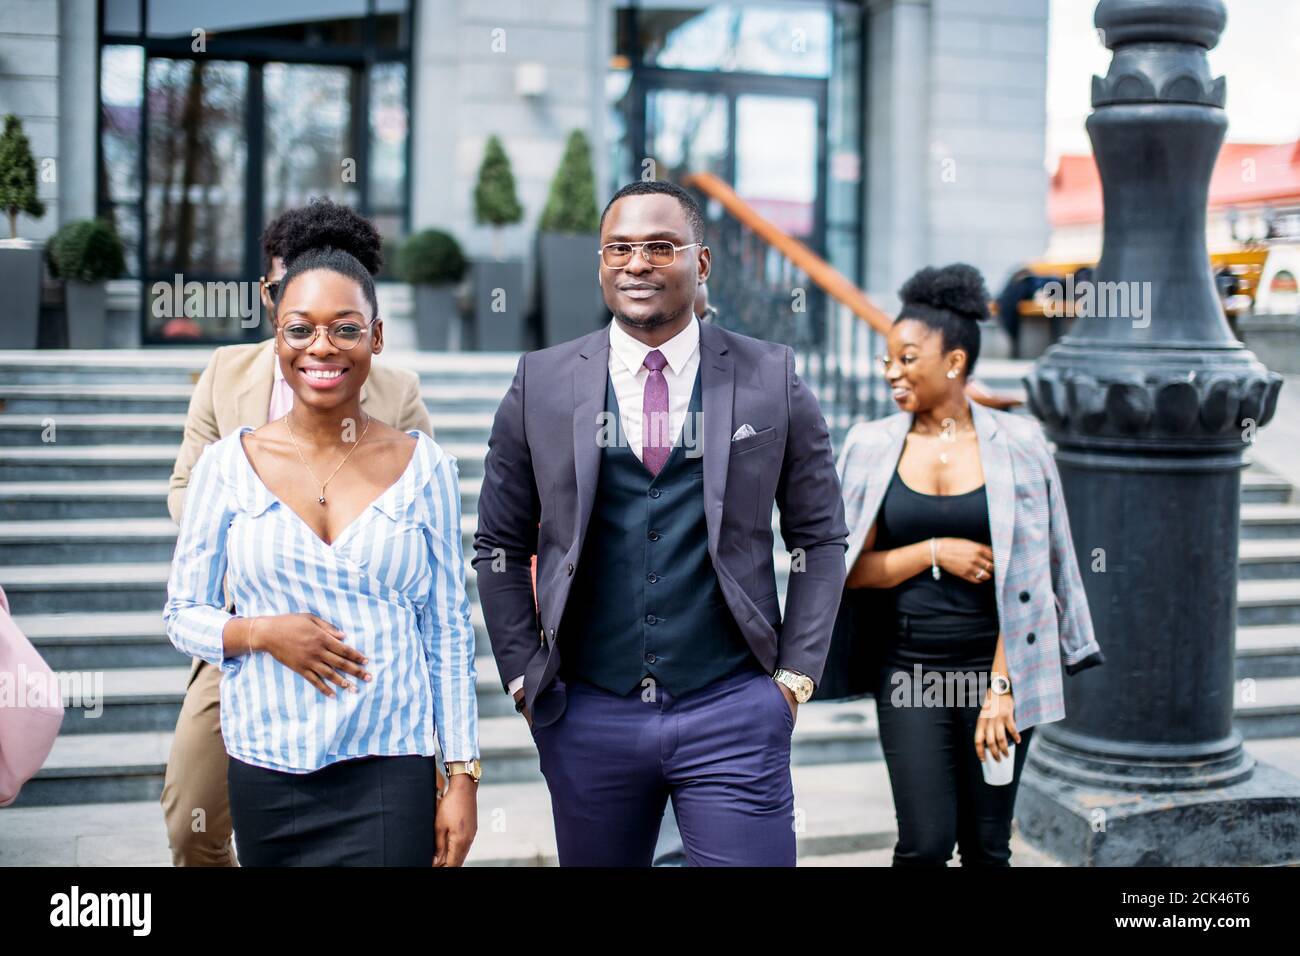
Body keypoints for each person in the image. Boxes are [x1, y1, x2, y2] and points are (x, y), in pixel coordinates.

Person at [474, 180, 847, 866]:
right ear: (601, 262)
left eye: (659, 247)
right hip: (588, 711)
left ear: (699, 264)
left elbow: (820, 539)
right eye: (619, 248)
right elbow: (498, 543)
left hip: (732, 706)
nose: (637, 263)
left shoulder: (773, 377)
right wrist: (526, 679)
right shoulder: (543, 381)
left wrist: (795, 677)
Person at [163, 209, 478, 867]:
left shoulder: (418, 448)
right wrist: (259, 625)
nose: (321, 345)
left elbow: (446, 623)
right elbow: (184, 578)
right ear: (273, 315)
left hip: (387, 743)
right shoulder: (227, 417)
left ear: (377, 333)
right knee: (190, 814)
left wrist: (462, 773)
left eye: (345, 326)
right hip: (259, 686)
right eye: (299, 324)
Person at [835, 263, 1103, 866]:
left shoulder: (1020, 444)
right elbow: (849, 570)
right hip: (908, 671)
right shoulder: (871, 446)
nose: (891, 373)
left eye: (906, 359)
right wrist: (932, 552)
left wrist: (1003, 690)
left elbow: (1036, 579)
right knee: (925, 844)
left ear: (953, 362)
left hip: (997, 668)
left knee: (986, 846)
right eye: (887, 361)